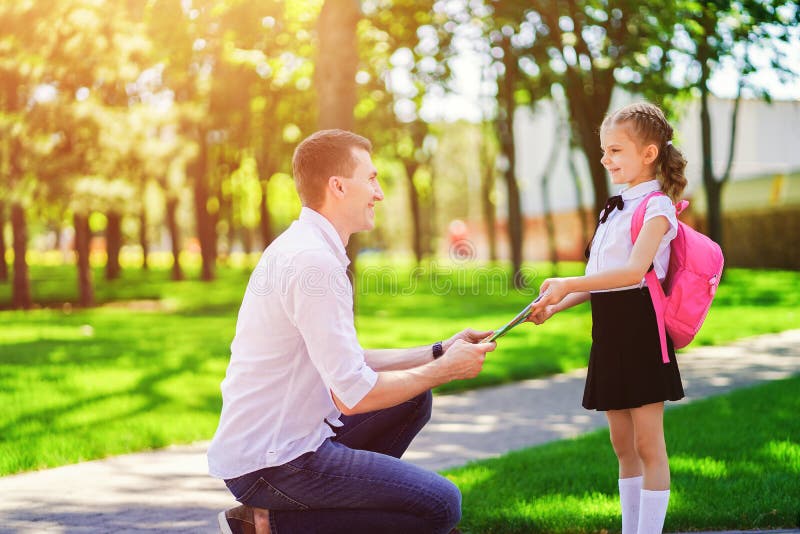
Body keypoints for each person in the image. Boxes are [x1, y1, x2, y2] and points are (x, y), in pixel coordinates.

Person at [207, 129, 497, 534]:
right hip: (273, 463)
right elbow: (353, 394)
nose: (379, 193)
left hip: (284, 443)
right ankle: (267, 524)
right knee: (440, 504)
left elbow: (348, 361)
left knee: (413, 401)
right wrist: (446, 369)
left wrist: (437, 350)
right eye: (372, 179)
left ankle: (313, 509)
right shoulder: (313, 262)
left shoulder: (307, 247)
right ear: (338, 186)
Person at [526, 102, 687, 534]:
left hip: (640, 330)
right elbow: (599, 279)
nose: (606, 159)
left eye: (615, 150)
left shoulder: (656, 208)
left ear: (649, 154)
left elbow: (634, 273)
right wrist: (555, 304)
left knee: (647, 443)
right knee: (621, 444)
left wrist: (567, 283)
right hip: (609, 331)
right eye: (604, 151)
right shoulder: (612, 209)